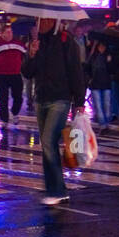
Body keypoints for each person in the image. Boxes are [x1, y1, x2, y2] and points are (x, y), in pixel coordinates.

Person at [22, 18, 86, 205]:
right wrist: (31, 55)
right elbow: (27, 73)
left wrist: (79, 101)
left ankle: (57, 190)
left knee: (49, 141)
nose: (40, 24)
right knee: (46, 145)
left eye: (45, 21)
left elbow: (76, 72)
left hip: (60, 98)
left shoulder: (67, 41)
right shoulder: (36, 43)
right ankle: (54, 188)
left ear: (54, 22)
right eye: (39, 21)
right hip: (41, 99)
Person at [0, 27, 27, 123]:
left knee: (18, 97)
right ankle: (4, 119)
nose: (10, 34)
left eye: (11, 32)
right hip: (1, 75)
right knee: (3, 98)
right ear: (2, 34)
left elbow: (26, 57)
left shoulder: (19, 44)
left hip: (15, 75)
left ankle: (14, 112)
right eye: (7, 32)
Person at [88, 40, 112, 127]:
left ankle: (107, 121)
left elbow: (111, 70)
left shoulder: (108, 56)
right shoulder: (93, 57)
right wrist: (90, 79)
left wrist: (109, 62)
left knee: (106, 103)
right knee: (98, 104)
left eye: (103, 47)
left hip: (106, 83)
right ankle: (102, 123)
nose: (102, 48)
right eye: (100, 47)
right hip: (95, 82)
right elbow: (88, 68)